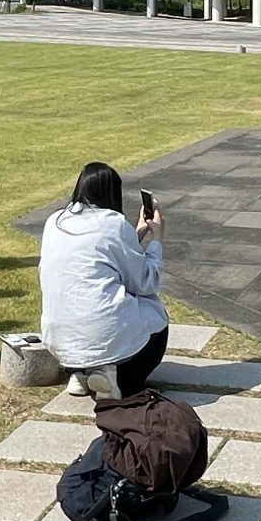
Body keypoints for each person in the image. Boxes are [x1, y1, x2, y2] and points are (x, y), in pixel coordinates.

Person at [40, 162, 168, 399]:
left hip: (59, 338)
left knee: (84, 303)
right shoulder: (114, 223)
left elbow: (99, 255)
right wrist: (157, 239)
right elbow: (144, 282)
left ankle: (79, 372)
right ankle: (119, 377)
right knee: (155, 314)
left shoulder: (54, 221)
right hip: (103, 334)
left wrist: (136, 234)